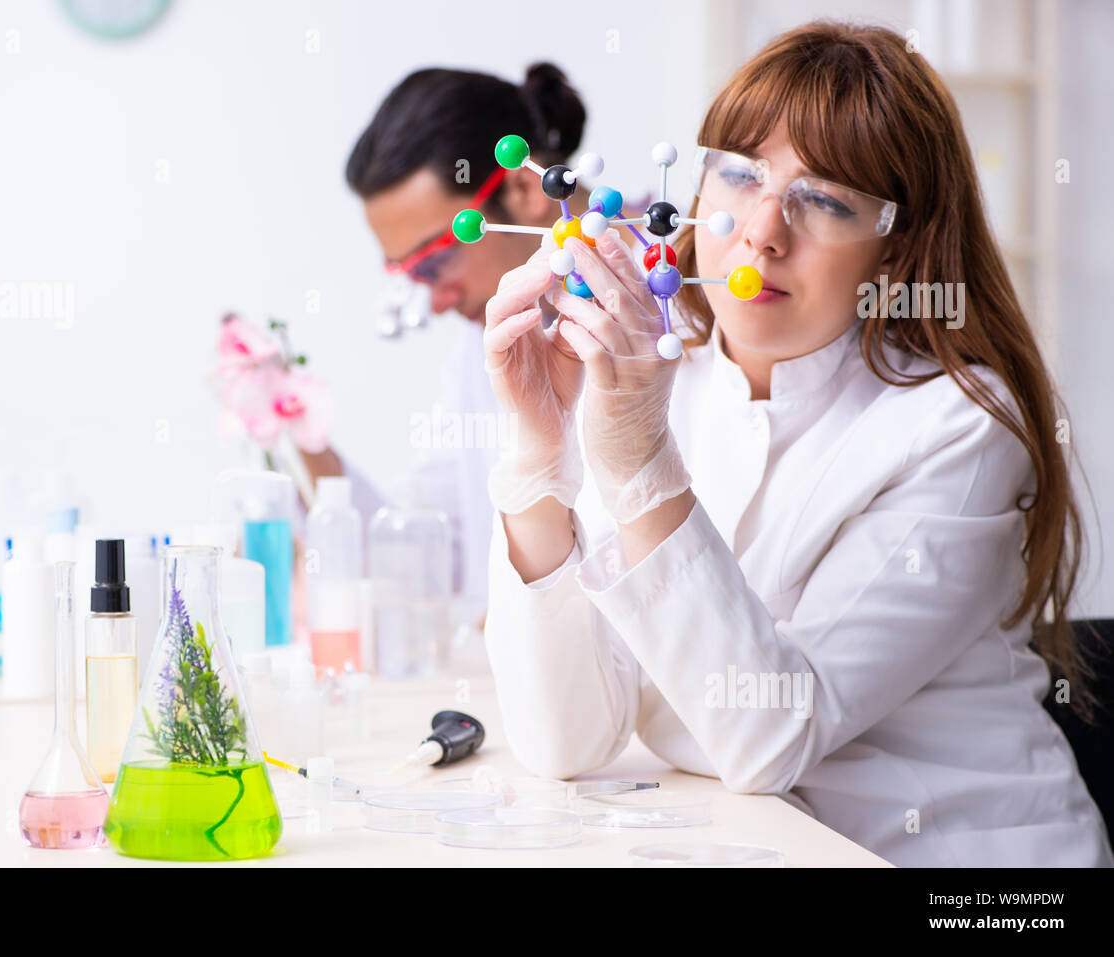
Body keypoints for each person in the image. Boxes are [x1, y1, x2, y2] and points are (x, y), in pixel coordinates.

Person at [481, 20, 1113, 867]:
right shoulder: (665, 377)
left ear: (897, 253)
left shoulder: (961, 427)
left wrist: (638, 465)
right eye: (739, 175)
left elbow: (770, 733)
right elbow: (567, 738)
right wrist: (536, 460)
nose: (762, 231)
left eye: (826, 201)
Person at [300, 63, 591, 625]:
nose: (433, 301)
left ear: (525, 188)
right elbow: (433, 545)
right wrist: (304, 442)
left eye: (435, 260)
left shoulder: (679, 309)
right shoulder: (490, 336)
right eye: (411, 273)